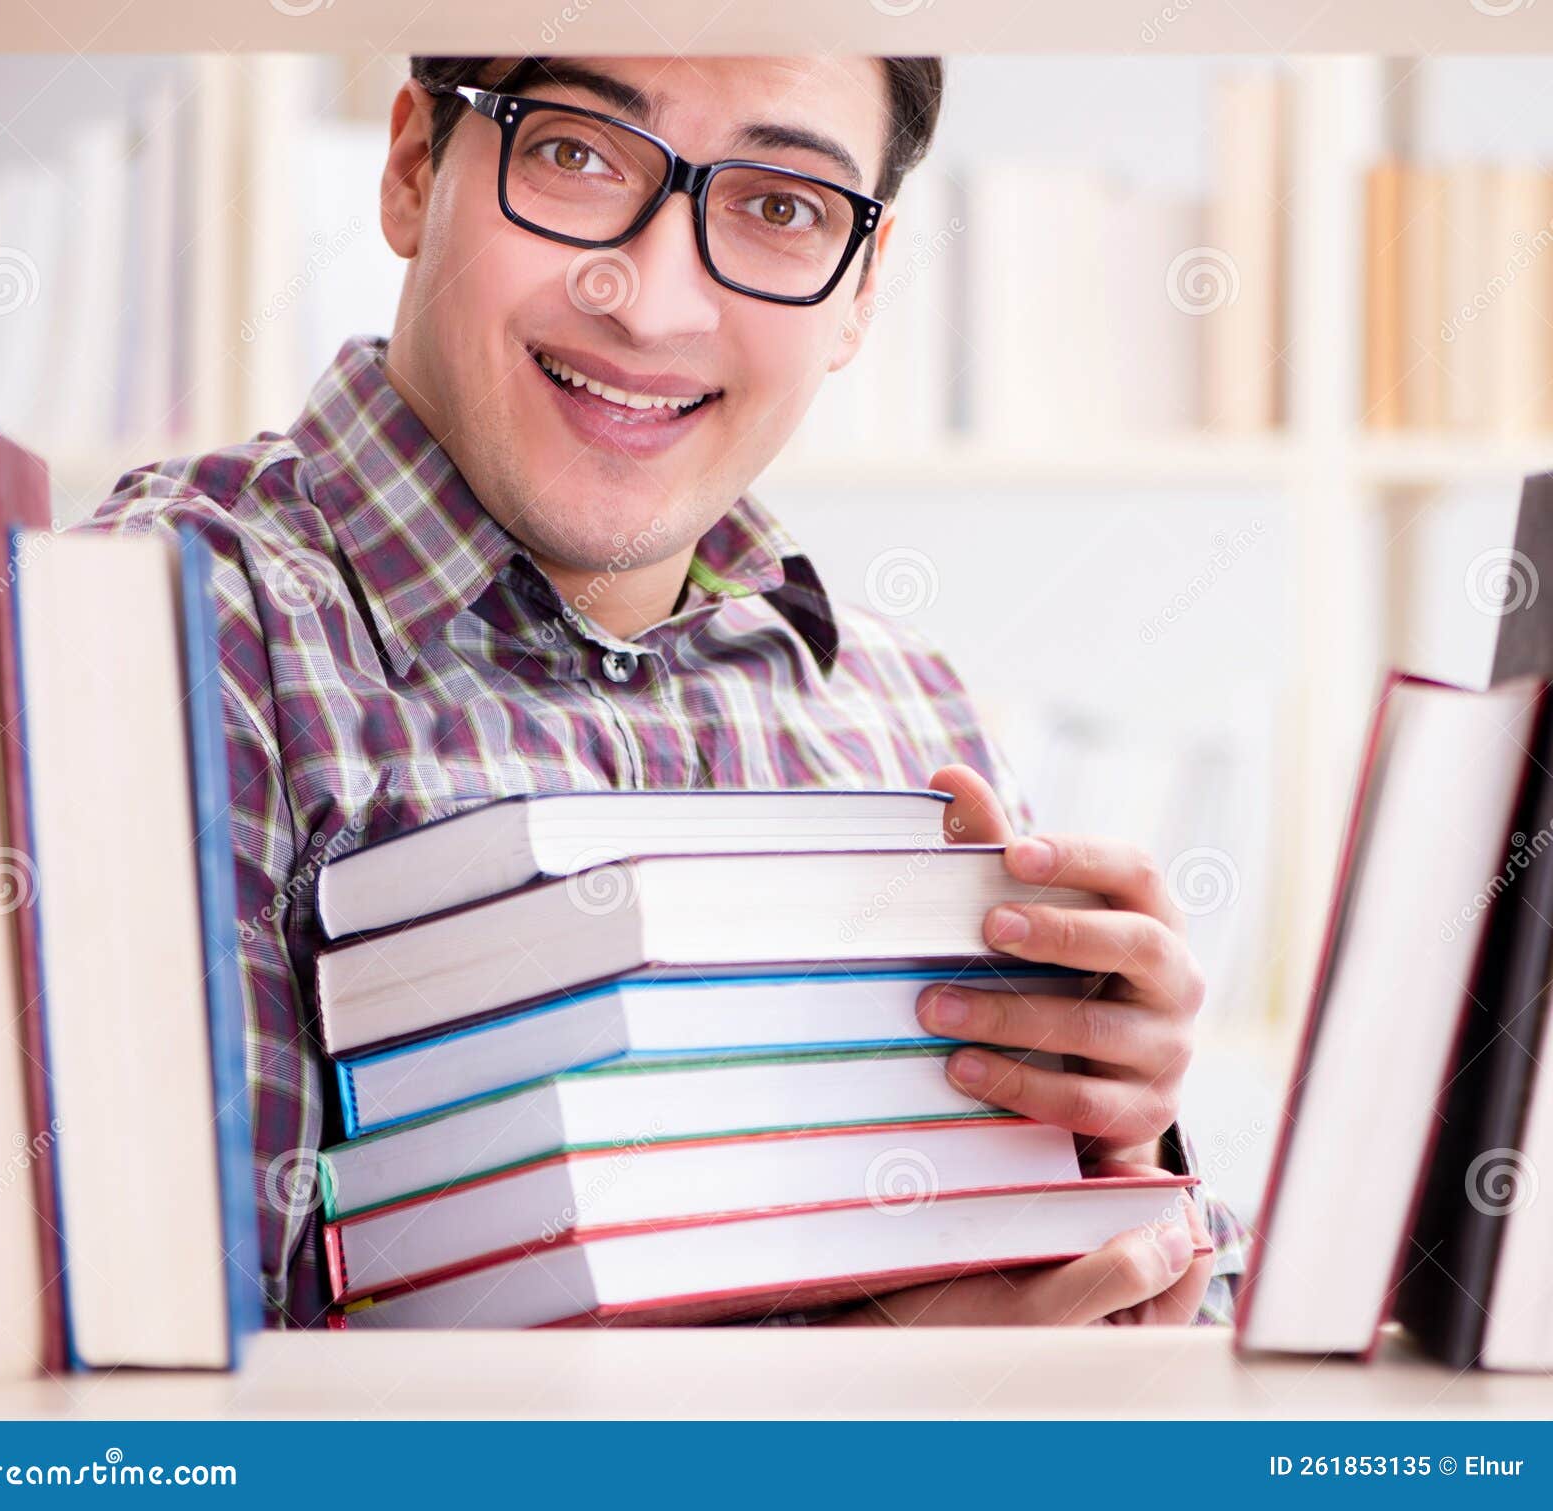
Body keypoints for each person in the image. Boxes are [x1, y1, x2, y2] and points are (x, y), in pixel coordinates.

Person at [88, 53, 1248, 1327]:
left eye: (781, 204)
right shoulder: (162, 623)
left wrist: (1115, 1177)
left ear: (858, 289)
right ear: (416, 165)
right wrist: (856, 1409)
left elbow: (1135, 1344)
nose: (652, 303)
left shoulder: (905, 712)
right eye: (576, 153)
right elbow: (166, 1403)